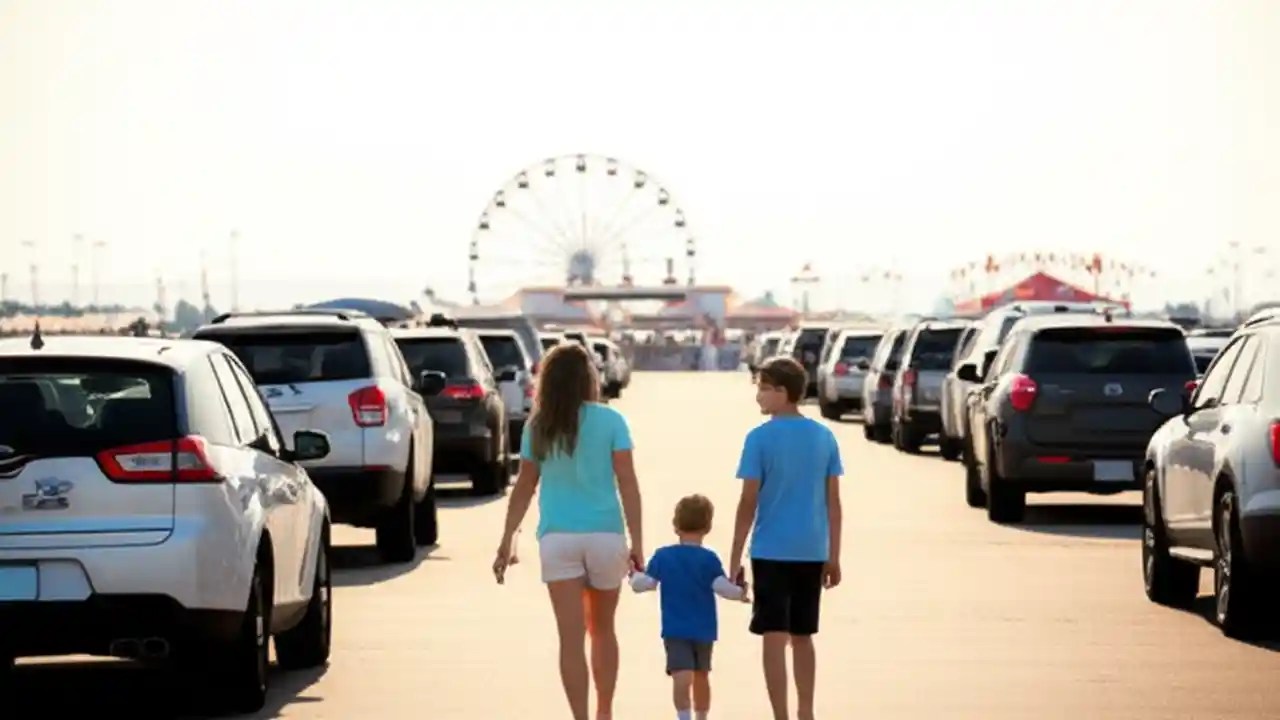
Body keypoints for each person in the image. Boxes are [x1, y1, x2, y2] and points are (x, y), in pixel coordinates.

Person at [492, 342, 644, 720]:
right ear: (588, 378)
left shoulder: (538, 426)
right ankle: (604, 712)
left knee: (570, 639)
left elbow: (524, 486)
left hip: (558, 540)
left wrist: (507, 540)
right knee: (603, 631)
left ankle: (580, 717)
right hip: (606, 536)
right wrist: (637, 543)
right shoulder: (611, 421)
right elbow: (628, 483)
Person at [727, 356, 843, 720]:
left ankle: (781, 714)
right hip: (811, 549)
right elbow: (833, 502)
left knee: (774, 635)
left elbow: (748, 501)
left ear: (782, 392)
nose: (758, 396)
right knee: (803, 635)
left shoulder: (759, 439)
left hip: (771, 550)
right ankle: (805, 712)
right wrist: (834, 554)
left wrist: (734, 558)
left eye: (763, 388)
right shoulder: (824, 436)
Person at [629, 494, 749, 720]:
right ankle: (701, 716)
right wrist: (741, 591)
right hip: (704, 630)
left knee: (681, 677)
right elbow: (722, 587)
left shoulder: (664, 556)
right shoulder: (709, 559)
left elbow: (644, 584)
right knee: (702, 676)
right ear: (708, 526)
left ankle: (684, 716)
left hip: (675, 630)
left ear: (675, 525)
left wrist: (633, 573)